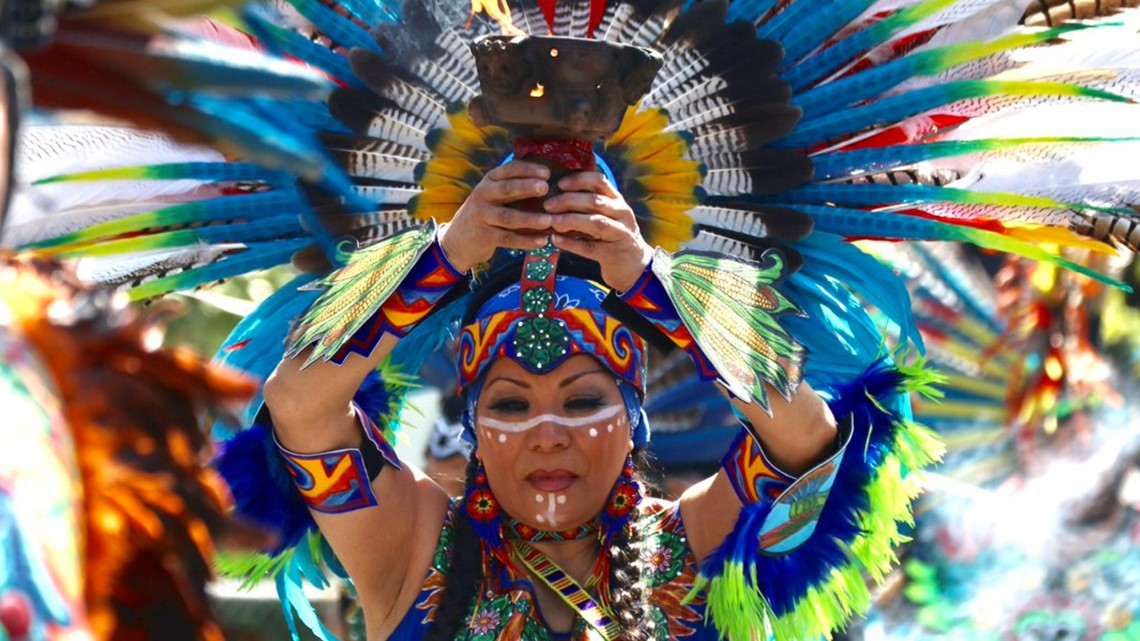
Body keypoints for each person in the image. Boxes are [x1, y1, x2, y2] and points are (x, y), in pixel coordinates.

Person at [255, 158, 935, 641]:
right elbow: (299, 403)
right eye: (512, 405)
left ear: (635, 418)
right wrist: (448, 253)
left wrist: (652, 282)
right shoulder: (411, 546)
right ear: (471, 426)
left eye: (581, 401)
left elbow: (806, 439)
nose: (546, 433)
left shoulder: (694, 546)